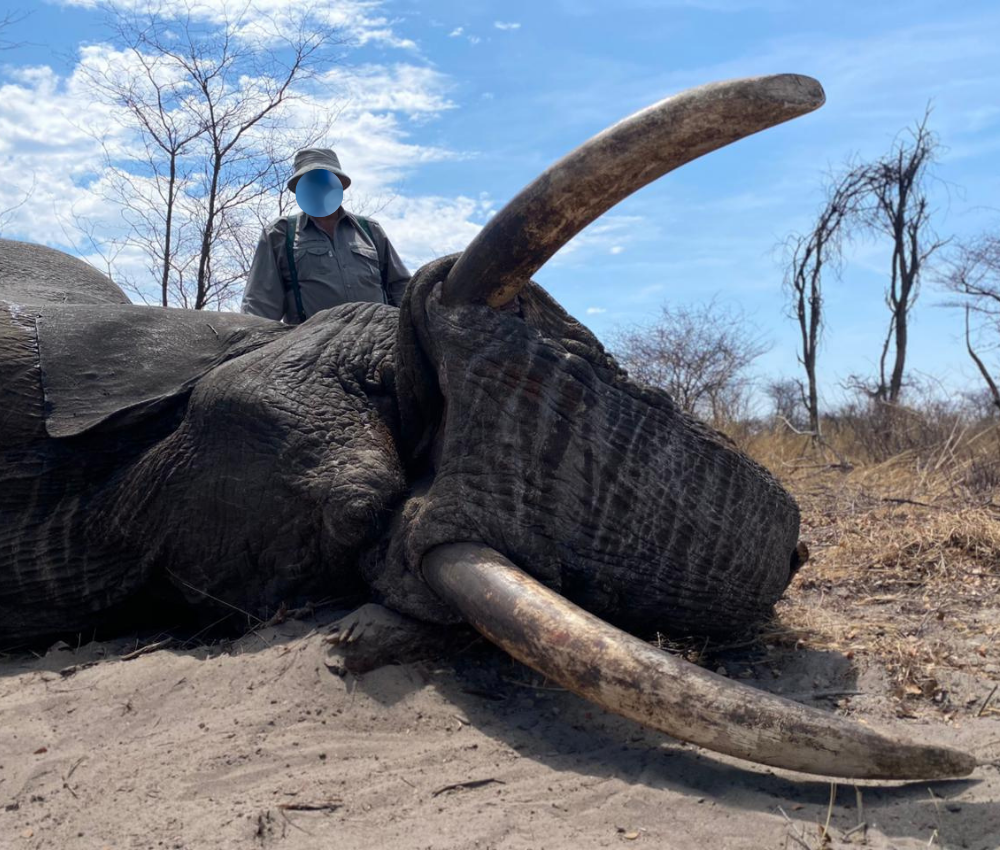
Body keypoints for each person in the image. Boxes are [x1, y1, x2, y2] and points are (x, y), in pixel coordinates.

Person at [241, 148, 410, 323]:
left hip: (377, 342)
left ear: (340, 186)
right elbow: (260, 305)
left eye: (326, 182)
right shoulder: (280, 233)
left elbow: (402, 288)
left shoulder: (370, 230)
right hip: (313, 346)